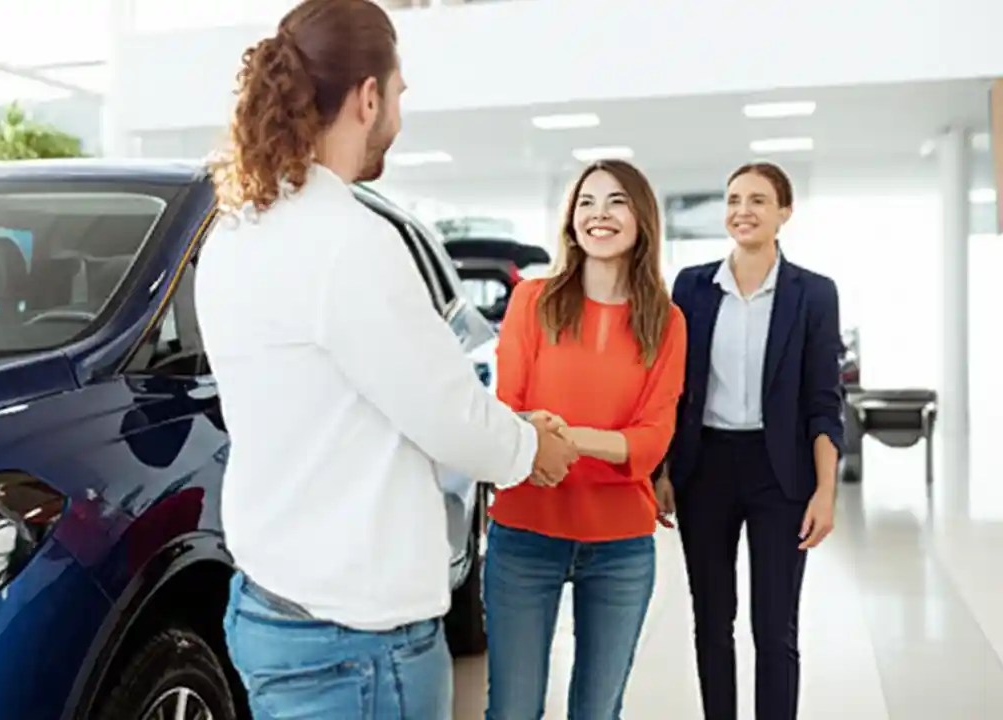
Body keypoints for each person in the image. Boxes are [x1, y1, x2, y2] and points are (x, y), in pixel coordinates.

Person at [194, 1, 579, 718]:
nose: (399, 111)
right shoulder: (348, 240)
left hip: (271, 608)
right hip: (357, 644)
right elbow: (451, 417)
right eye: (399, 93)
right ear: (368, 97)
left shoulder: (236, 233)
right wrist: (533, 445)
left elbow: (362, 400)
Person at [484, 159, 687, 719]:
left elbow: (651, 440)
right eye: (586, 202)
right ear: (571, 220)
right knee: (513, 710)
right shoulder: (532, 300)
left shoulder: (667, 322)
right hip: (525, 531)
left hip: (619, 544)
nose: (599, 214)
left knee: (598, 712)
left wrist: (561, 440)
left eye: (616, 201)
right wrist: (548, 442)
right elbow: (510, 411)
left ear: (642, 217)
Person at [657, 161, 842, 720]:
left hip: (780, 472)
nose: (743, 210)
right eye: (734, 198)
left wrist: (826, 491)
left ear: (784, 213)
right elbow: (672, 388)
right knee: (712, 621)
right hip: (704, 468)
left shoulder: (813, 294)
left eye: (759, 200)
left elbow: (823, 401)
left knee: (774, 626)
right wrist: (664, 470)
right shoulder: (692, 286)